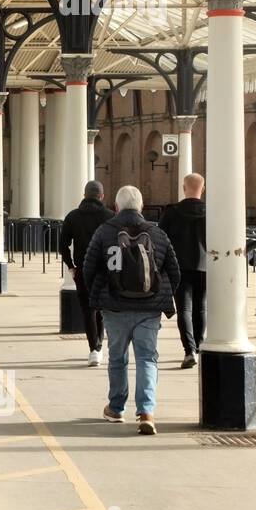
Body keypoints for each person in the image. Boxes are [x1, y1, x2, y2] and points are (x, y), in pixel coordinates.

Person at [82, 185, 180, 436]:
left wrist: (98, 292)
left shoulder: (105, 232)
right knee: (147, 358)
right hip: (149, 308)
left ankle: (116, 407)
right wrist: (161, 294)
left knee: (117, 358)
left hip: (114, 307)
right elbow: (174, 270)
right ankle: (146, 411)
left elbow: (89, 266)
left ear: (116, 207)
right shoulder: (157, 233)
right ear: (141, 206)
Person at [60, 180, 112, 366]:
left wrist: (71, 266)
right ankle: (99, 346)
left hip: (83, 269)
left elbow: (63, 245)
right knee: (101, 309)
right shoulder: (109, 216)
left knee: (88, 309)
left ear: (84, 195)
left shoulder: (73, 217)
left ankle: (94, 349)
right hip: (105, 270)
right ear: (102, 196)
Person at [159, 173, 207, 368]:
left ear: (183, 188)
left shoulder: (171, 212)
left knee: (184, 310)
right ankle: (199, 345)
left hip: (178, 268)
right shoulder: (210, 211)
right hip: (204, 267)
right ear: (202, 189)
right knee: (201, 308)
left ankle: (189, 351)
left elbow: (161, 239)